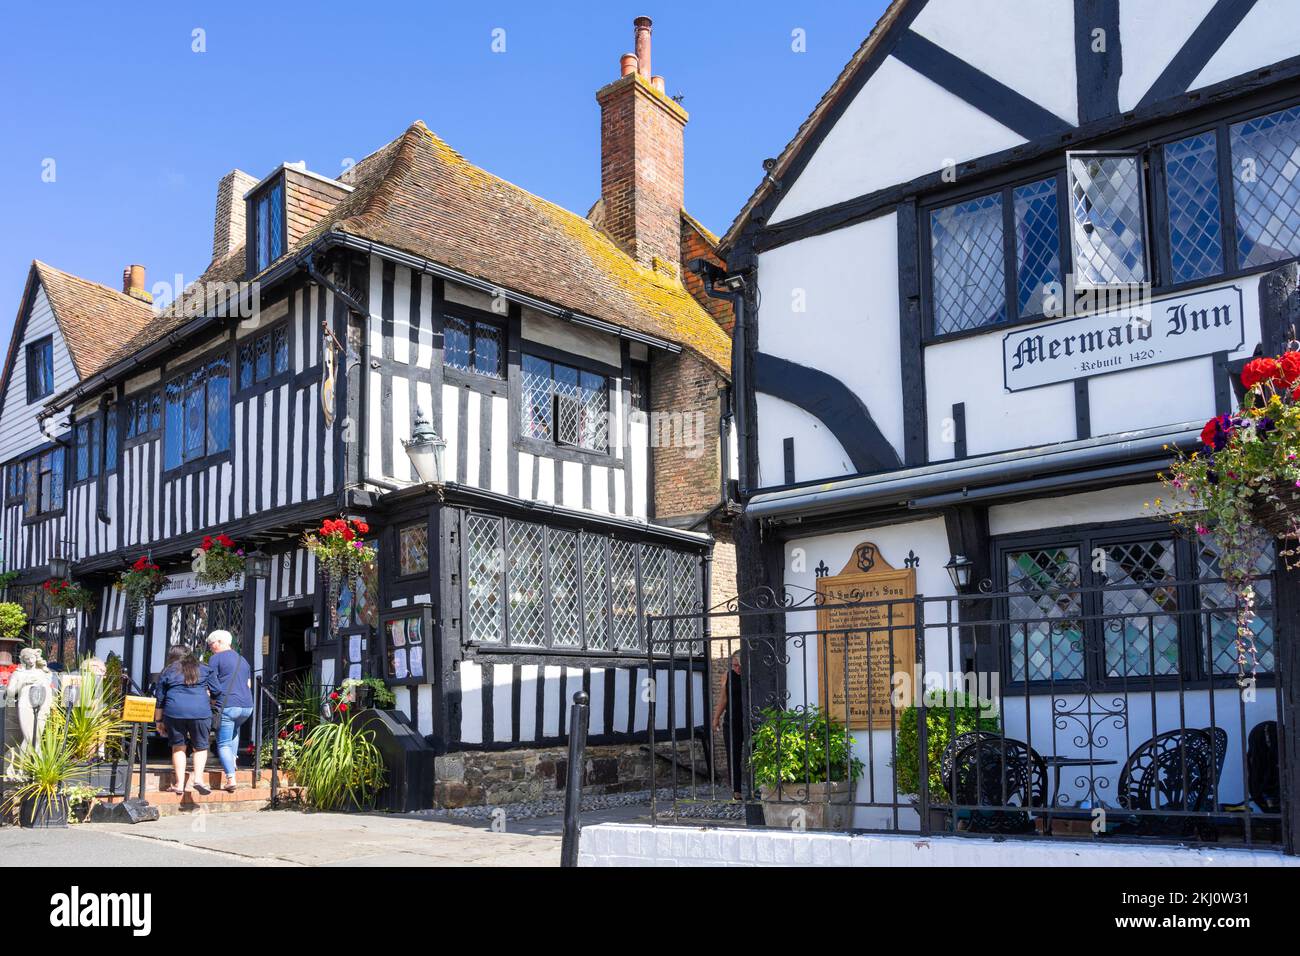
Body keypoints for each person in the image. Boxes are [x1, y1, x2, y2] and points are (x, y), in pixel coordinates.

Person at [153, 645, 219, 796]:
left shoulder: (168, 670)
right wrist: (210, 701)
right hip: (200, 712)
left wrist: (158, 721)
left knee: (178, 747)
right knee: (201, 747)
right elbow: (217, 691)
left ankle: (179, 784)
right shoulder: (204, 668)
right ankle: (199, 780)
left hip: (174, 711)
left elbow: (160, 699)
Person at [206, 630, 253, 792]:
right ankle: (232, 762)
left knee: (223, 743)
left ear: (219, 642)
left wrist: (211, 699)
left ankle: (231, 778)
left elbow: (212, 683)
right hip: (247, 706)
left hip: (227, 704)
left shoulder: (215, 659)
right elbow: (248, 685)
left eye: (211, 644)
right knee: (233, 733)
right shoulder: (243, 660)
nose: (210, 648)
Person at [712, 651, 748, 801]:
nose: (737, 668)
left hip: (749, 721)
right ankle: (736, 791)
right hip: (732, 721)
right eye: (734, 665)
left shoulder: (751, 675)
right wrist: (716, 718)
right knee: (733, 755)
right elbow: (723, 699)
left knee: (753, 755)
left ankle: (757, 789)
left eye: (740, 665)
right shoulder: (728, 676)